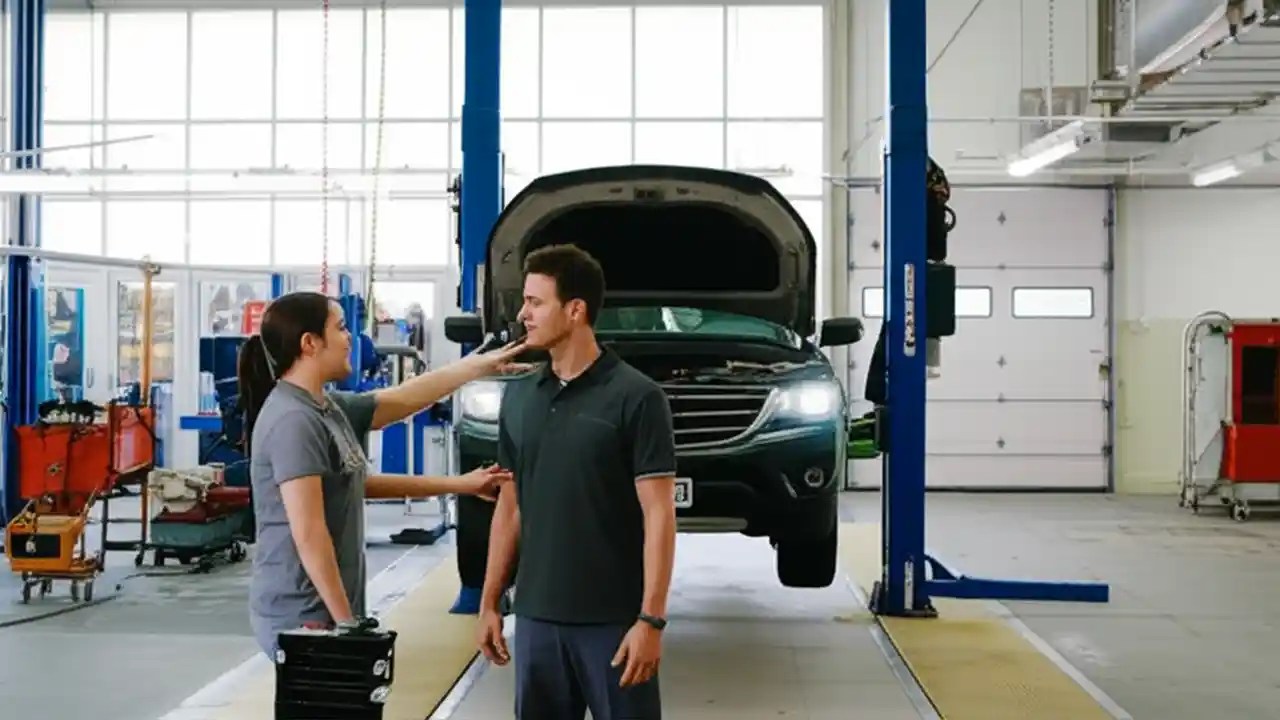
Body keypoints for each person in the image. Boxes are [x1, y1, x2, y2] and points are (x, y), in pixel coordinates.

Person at [236, 290, 526, 657]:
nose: (350, 340)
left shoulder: (326, 407)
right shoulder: (295, 420)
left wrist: (460, 483)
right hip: (303, 613)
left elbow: (397, 409)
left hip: (328, 608)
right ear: (309, 343)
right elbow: (309, 533)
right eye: (341, 328)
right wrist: (348, 626)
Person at [475, 245, 678, 719]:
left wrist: (651, 618)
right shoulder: (521, 398)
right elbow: (511, 505)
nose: (523, 315)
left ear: (576, 309)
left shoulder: (637, 397)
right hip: (537, 619)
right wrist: (489, 602)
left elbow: (659, 513)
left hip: (613, 623)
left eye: (535, 302)